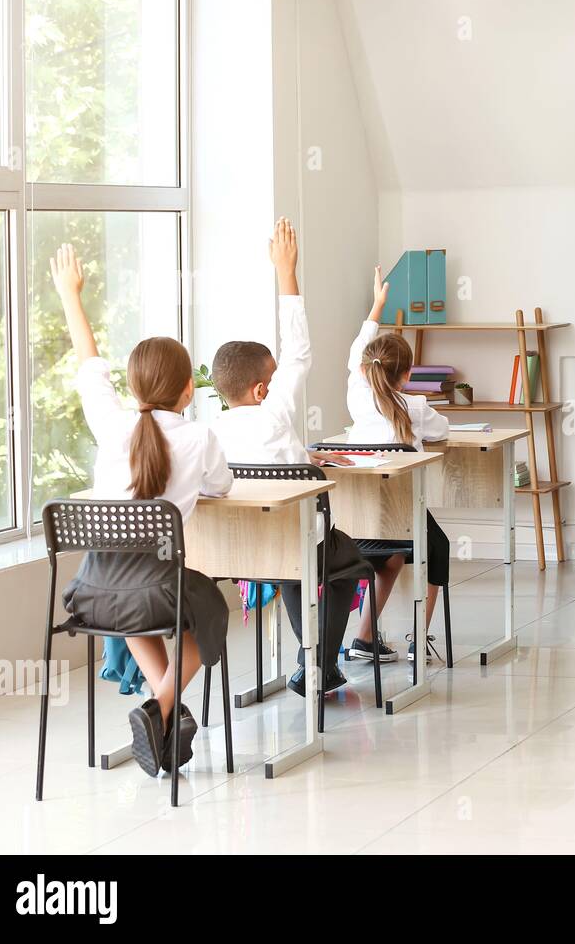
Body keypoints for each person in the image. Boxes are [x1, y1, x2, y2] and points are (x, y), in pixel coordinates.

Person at [51, 243, 232, 777]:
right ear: (187, 389)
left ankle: (163, 712)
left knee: (136, 607)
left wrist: (70, 297)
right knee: (211, 612)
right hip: (155, 587)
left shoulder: (110, 426)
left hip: (94, 590)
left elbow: (89, 365)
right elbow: (221, 488)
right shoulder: (199, 436)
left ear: (132, 387)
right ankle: (159, 707)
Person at [208, 218, 363, 696]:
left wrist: (306, 458)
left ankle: (312, 662)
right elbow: (298, 352)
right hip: (294, 541)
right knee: (348, 563)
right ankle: (317, 662)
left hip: (236, 552)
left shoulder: (210, 432)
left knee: (298, 563)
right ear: (261, 389)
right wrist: (286, 273)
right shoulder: (273, 413)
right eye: (271, 382)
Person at [346, 271, 452, 663]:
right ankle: (417, 640)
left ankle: (364, 638)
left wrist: (376, 306)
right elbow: (442, 433)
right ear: (408, 376)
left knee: (388, 558)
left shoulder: (356, 397)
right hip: (403, 516)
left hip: (356, 521)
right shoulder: (417, 408)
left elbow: (359, 351)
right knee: (436, 547)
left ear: (366, 370)